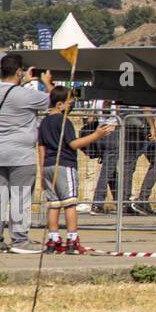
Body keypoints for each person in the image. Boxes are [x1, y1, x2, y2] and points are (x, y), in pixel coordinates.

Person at [0, 53, 52, 254]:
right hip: (20, 153)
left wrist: (22, 83)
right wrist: (47, 84)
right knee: (21, 197)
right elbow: (55, 101)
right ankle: (20, 240)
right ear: (19, 71)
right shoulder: (27, 95)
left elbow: (10, 97)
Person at [38, 86, 116, 254]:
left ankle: (53, 239)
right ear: (60, 104)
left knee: (53, 204)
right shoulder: (63, 121)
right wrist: (96, 135)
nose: (72, 105)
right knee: (70, 203)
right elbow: (73, 143)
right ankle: (72, 239)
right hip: (64, 165)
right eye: (69, 102)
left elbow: (41, 148)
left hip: (48, 166)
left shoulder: (44, 122)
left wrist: (42, 171)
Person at [120, 108, 156, 216]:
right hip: (141, 124)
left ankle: (125, 203)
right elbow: (146, 107)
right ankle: (142, 199)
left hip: (127, 121)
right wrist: (152, 127)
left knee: (128, 164)